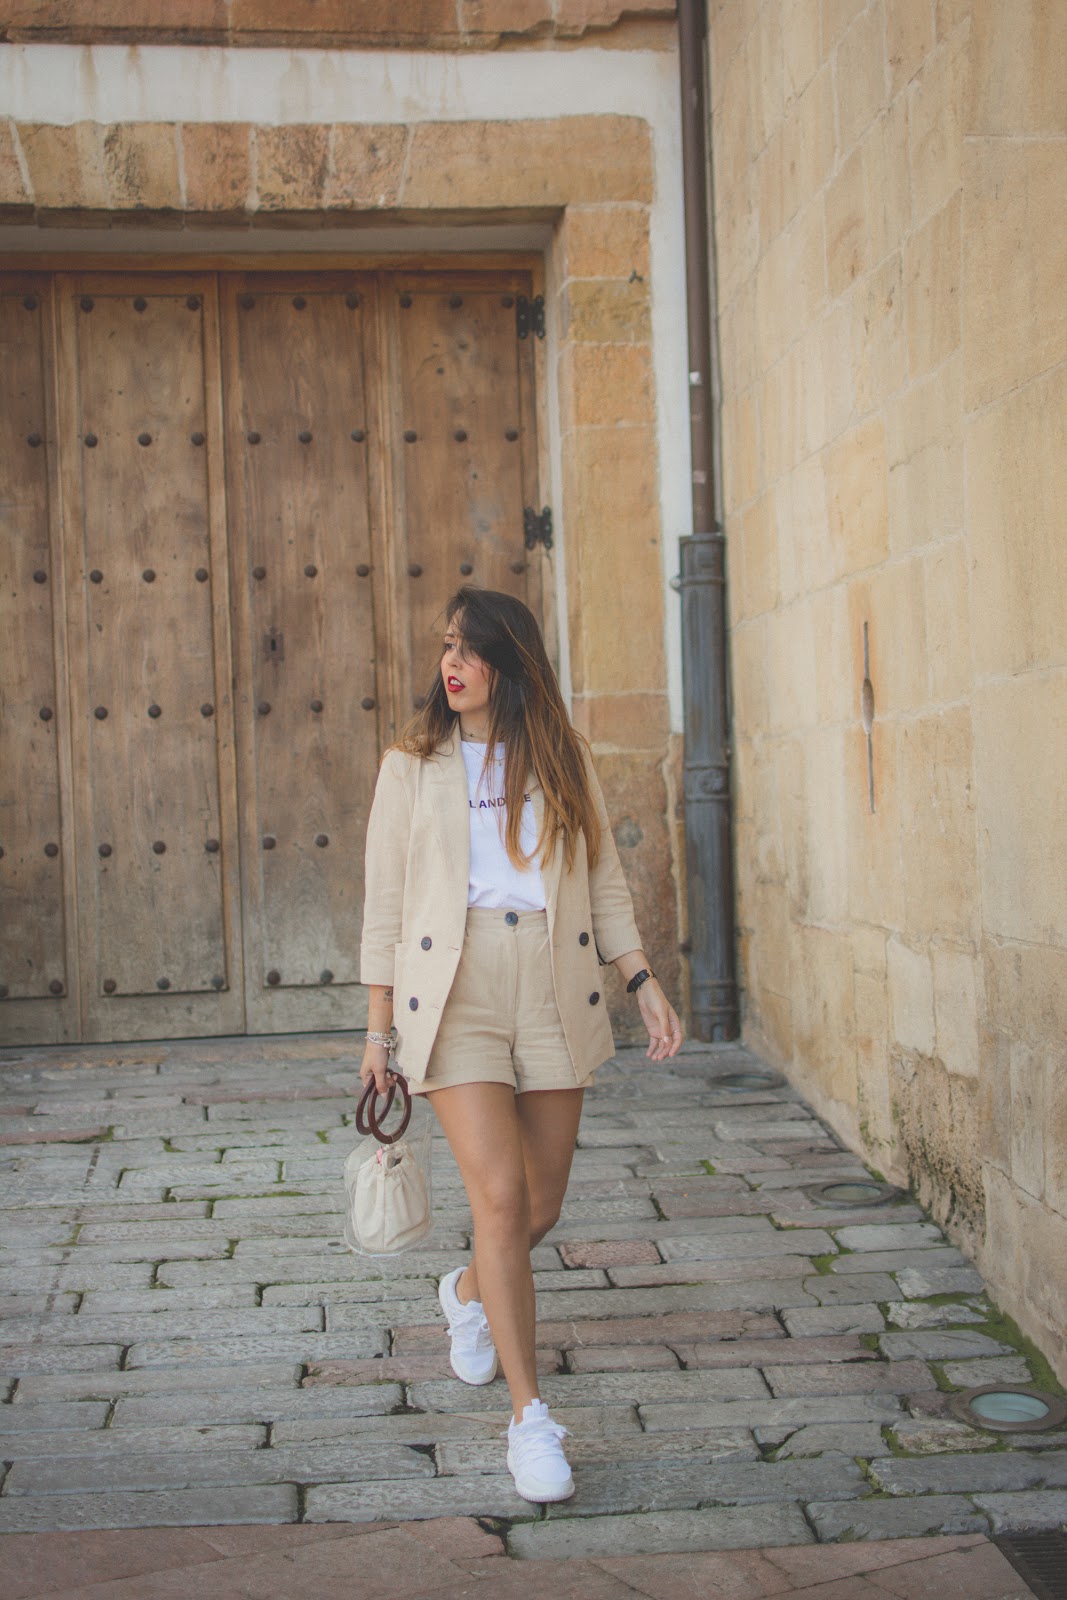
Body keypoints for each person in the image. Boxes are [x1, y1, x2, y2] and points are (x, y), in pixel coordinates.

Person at [359, 585, 682, 1503]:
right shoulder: (411, 764)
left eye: (467, 647)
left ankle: (465, 1294)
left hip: (551, 985)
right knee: (499, 1199)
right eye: (444, 647)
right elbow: (384, 906)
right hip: (451, 994)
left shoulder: (560, 755)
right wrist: (378, 1029)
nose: (448, 664)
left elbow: (605, 880)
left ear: (509, 659)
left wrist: (640, 978)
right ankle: (529, 1419)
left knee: (538, 1208)